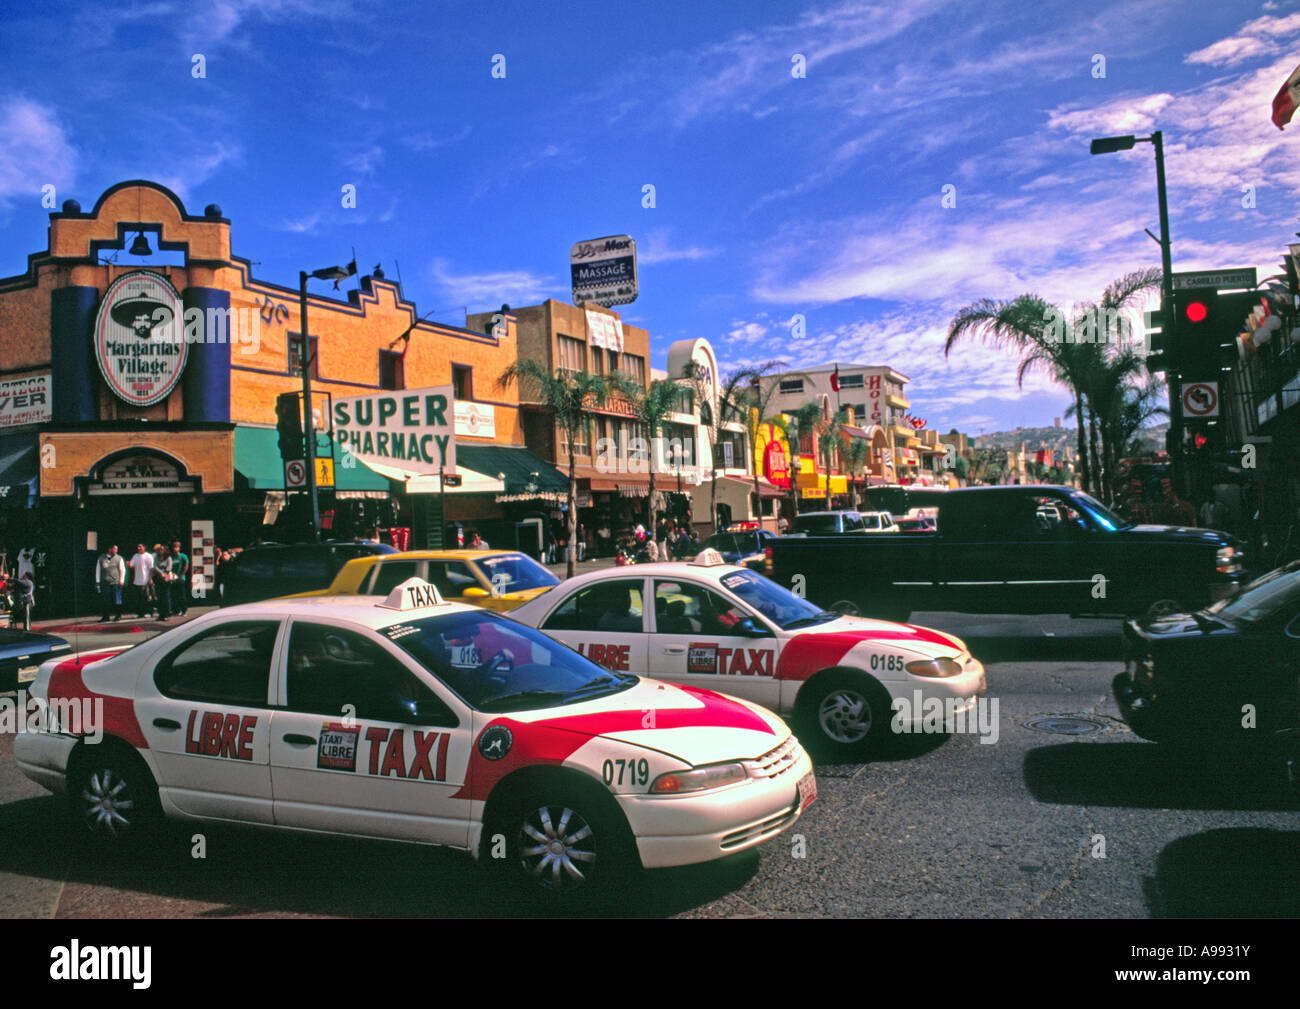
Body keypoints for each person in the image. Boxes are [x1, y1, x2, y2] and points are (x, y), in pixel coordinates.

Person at [96, 544, 125, 622]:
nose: (116, 550)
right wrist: (97, 581)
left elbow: (122, 570)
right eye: (114, 549)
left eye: (117, 549)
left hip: (115, 582)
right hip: (105, 582)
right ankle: (106, 616)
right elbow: (98, 569)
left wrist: (121, 580)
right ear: (110, 549)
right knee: (105, 600)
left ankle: (118, 615)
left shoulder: (119, 558)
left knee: (117, 599)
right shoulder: (101, 558)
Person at [128, 543, 154, 618]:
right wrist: (128, 564)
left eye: (141, 546)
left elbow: (151, 569)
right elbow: (131, 565)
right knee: (138, 598)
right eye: (138, 547)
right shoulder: (135, 556)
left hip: (145, 580)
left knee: (147, 597)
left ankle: (149, 612)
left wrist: (150, 579)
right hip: (137, 581)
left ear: (144, 547)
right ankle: (139, 613)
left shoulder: (148, 556)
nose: (139, 548)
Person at [153, 544, 173, 621]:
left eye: (161, 549)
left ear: (164, 550)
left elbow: (169, 568)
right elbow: (154, 566)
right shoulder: (156, 558)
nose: (160, 551)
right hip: (158, 578)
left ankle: (166, 614)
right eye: (158, 550)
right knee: (159, 597)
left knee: (166, 596)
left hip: (166, 578)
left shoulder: (168, 558)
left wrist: (164, 573)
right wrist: (161, 573)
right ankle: (161, 614)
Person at [171, 540, 190, 615]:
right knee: (174, 595)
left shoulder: (183, 556)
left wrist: (181, 575)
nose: (175, 548)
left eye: (176, 547)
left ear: (179, 548)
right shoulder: (171, 556)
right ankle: (176, 610)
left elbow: (186, 566)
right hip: (173, 578)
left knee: (181, 595)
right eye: (174, 547)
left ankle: (184, 610)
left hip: (181, 578)